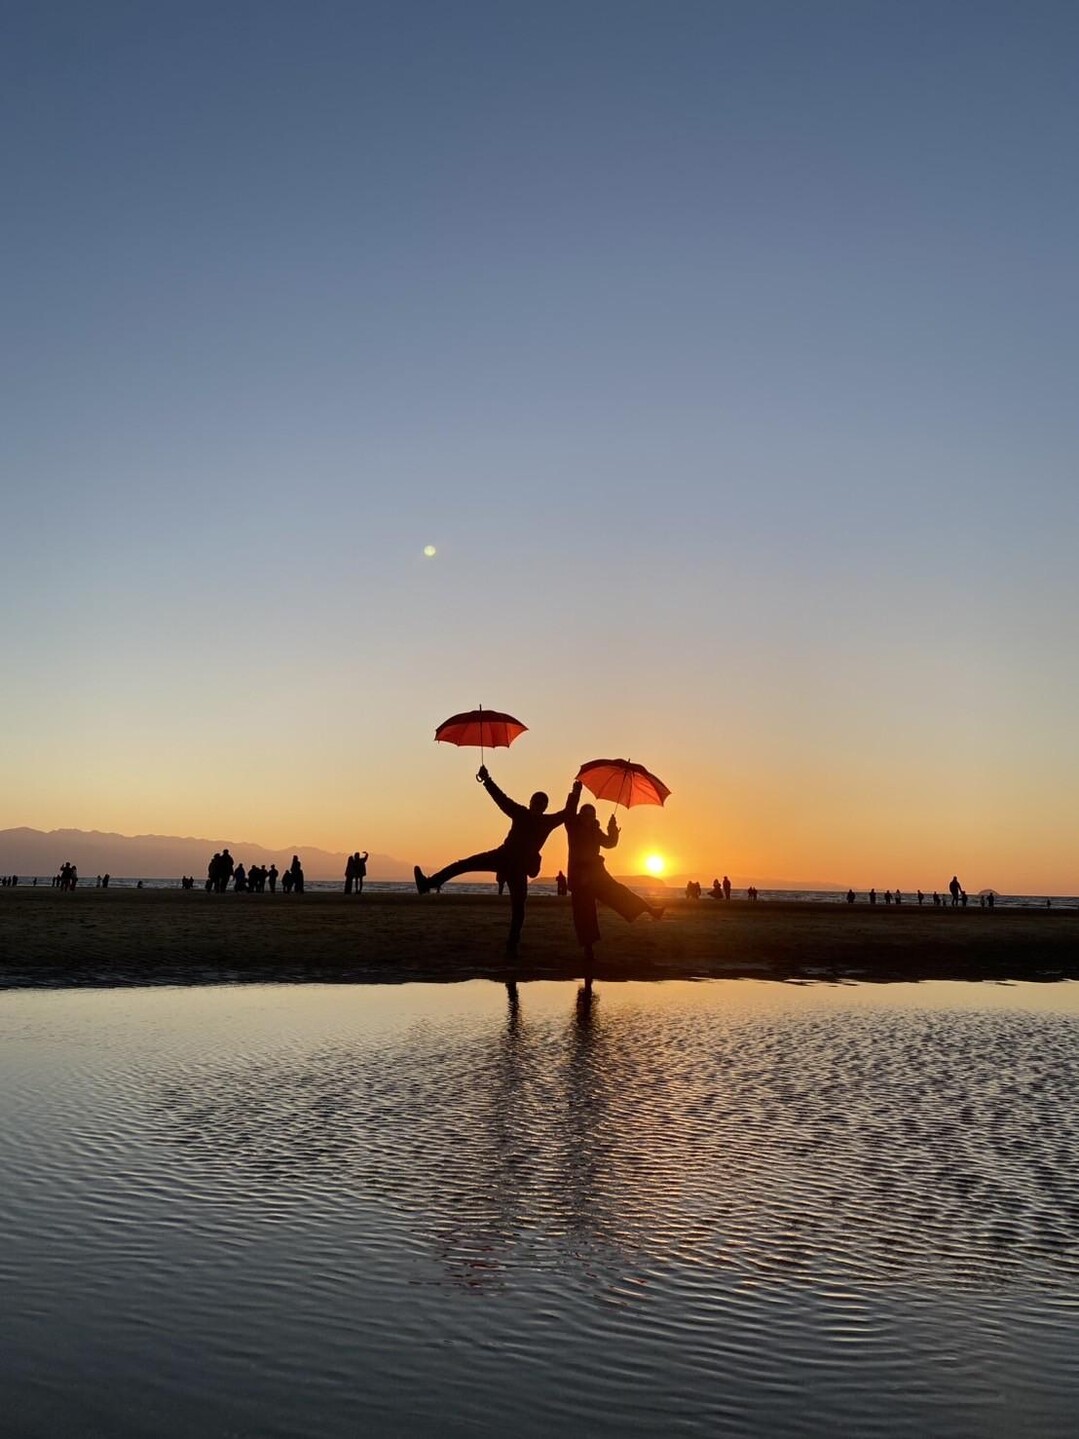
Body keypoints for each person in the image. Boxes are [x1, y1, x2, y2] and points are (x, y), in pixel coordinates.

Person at [414, 764, 575, 957]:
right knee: (465, 866)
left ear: (544, 807)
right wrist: (487, 780)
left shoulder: (540, 820)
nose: (538, 806)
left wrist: (575, 792)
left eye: (541, 804)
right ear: (532, 803)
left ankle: (512, 944)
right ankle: (428, 884)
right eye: (537, 802)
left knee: (517, 905)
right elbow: (502, 799)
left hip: (515, 865)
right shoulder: (528, 815)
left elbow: (566, 812)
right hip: (503, 857)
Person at [564, 782, 662, 964]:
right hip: (579, 878)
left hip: (597, 873)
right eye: (585, 815)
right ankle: (588, 950)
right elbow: (569, 812)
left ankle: (650, 909)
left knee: (619, 891)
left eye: (591, 815)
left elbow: (610, 843)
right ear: (580, 816)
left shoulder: (595, 830)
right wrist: (575, 792)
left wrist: (613, 828)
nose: (588, 818)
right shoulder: (573, 827)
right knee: (585, 913)